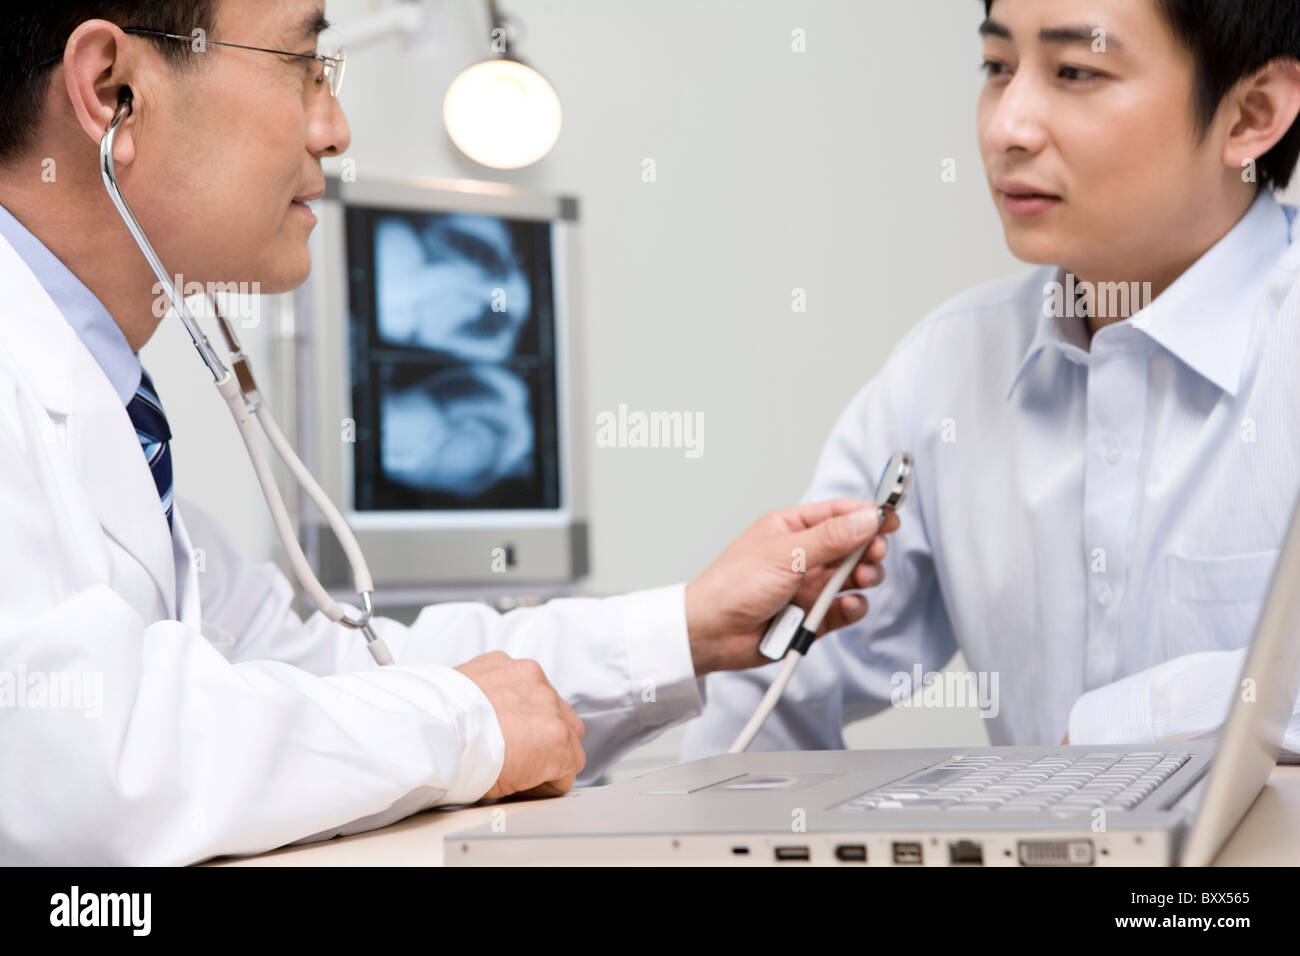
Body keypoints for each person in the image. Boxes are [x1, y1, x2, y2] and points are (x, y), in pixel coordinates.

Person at [0, 2, 900, 865]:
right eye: (305, 68)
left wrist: (688, 626)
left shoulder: (109, 416)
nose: (335, 129)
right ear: (112, 90)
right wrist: (462, 726)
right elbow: (85, 771)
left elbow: (326, 679)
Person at [684, 0, 1300, 761]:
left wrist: (1130, 723)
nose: (1007, 128)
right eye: (998, 68)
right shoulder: (947, 366)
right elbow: (773, 686)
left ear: (1252, 114)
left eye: (1076, 71)